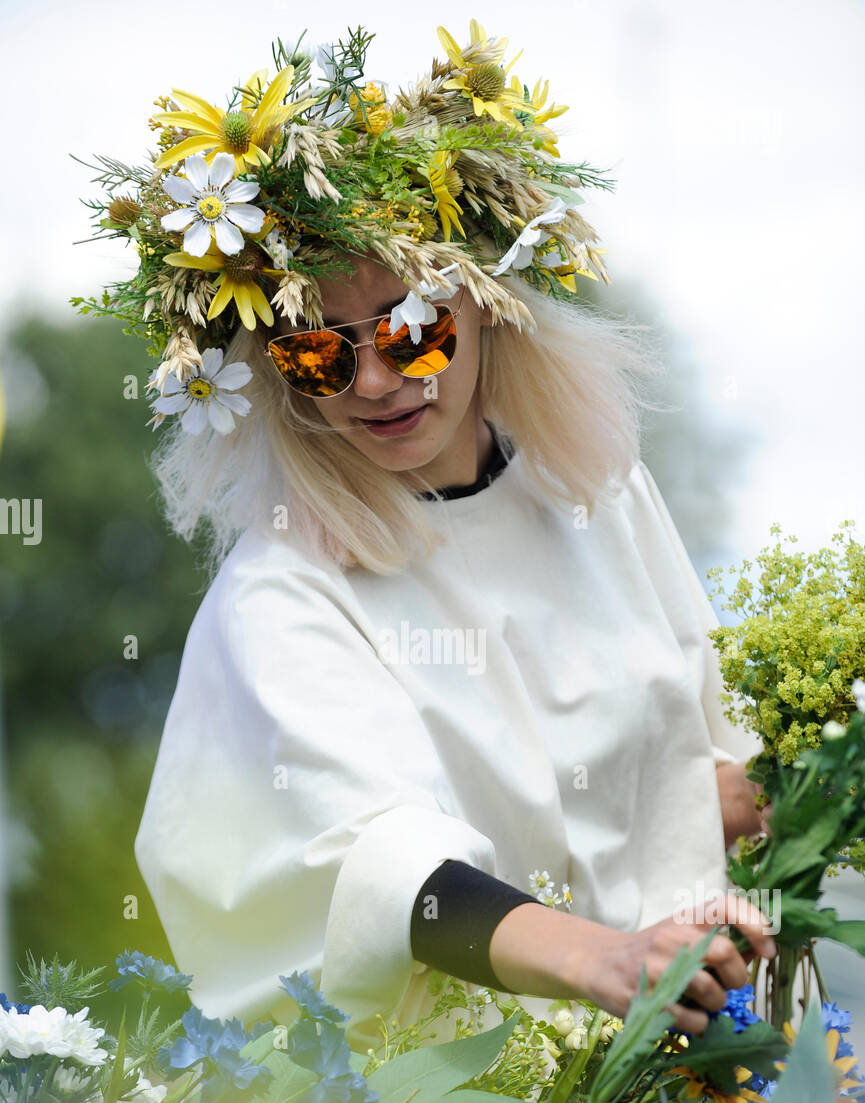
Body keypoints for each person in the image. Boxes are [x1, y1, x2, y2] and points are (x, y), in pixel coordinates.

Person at [79, 24, 777, 1048]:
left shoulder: (600, 492)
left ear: (486, 305)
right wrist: (607, 960)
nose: (373, 383)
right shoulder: (284, 591)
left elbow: (698, 781)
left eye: (411, 328)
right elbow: (387, 874)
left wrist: (810, 770)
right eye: (317, 354)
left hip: (692, 1070)